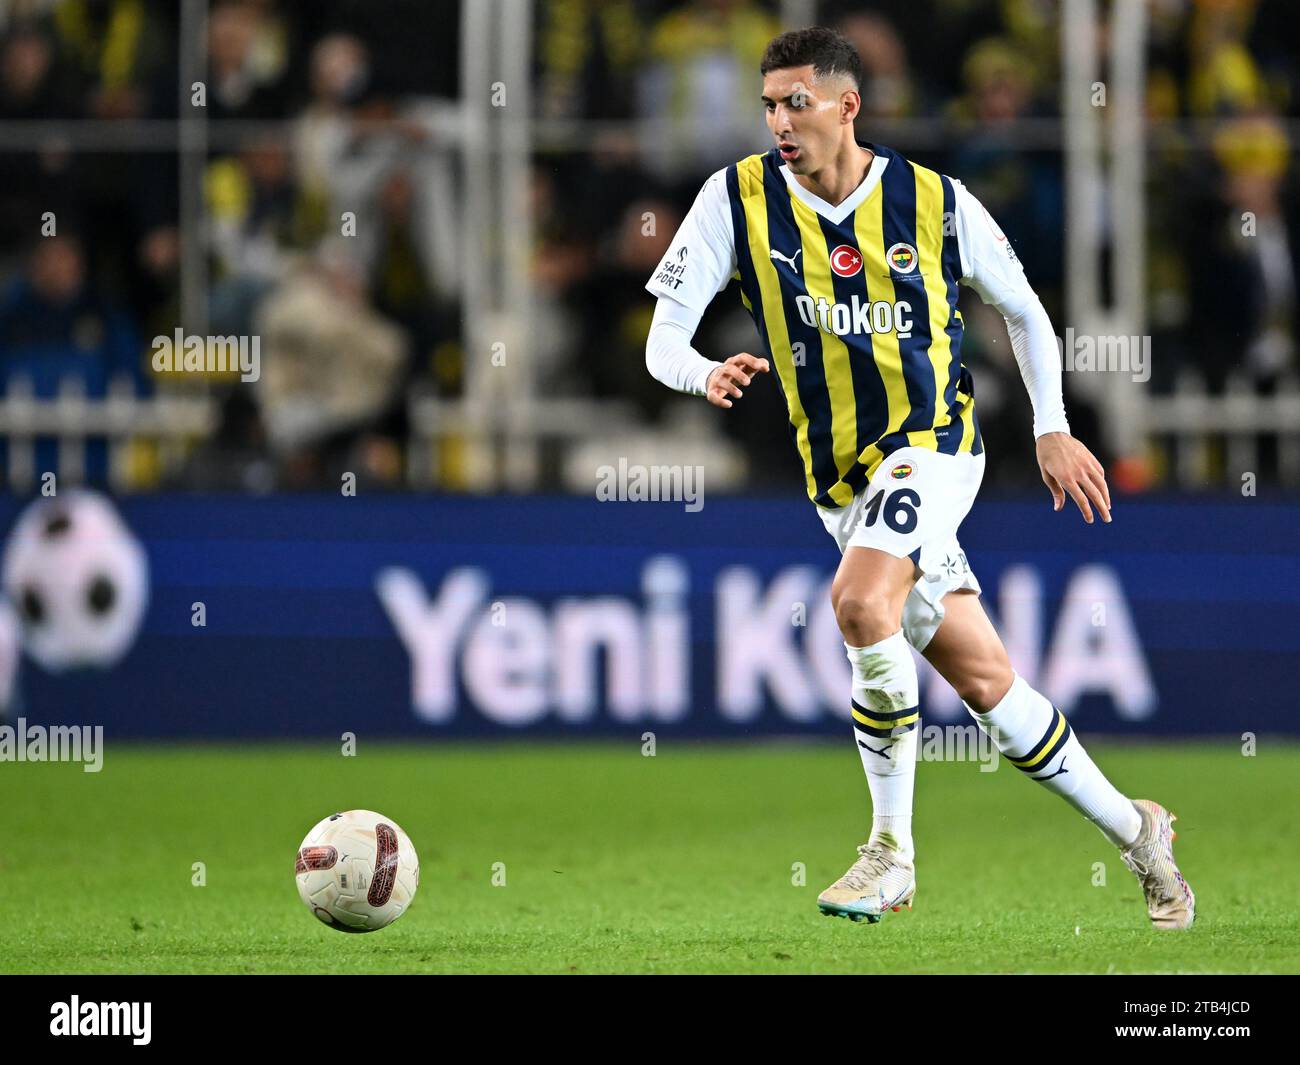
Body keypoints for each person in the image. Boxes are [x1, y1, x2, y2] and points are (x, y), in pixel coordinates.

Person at [643, 27, 1194, 929]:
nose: (780, 121)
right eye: (770, 104)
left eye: (798, 102)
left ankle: (890, 852)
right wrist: (702, 372)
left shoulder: (932, 202)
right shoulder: (733, 201)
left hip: (935, 447)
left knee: (861, 605)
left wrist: (1051, 427)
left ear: (846, 104)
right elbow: (663, 335)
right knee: (988, 686)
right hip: (840, 486)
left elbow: (1022, 309)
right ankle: (1140, 831)